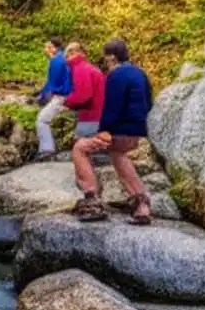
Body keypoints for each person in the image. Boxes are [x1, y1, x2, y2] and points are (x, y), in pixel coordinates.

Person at [71, 39, 155, 225]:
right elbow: (149, 103)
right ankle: (142, 206)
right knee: (118, 155)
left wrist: (103, 130)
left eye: (106, 58)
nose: (106, 62)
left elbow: (111, 108)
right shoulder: (140, 74)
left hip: (119, 130)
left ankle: (92, 200)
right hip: (137, 129)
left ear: (112, 57)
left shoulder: (115, 76)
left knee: (80, 148)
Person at [35, 37, 73, 160]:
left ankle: (47, 149)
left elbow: (52, 83)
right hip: (70, 94)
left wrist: (41, 97)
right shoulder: (65, 58)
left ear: (53, 47)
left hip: (62, 96)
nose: (45, 49)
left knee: (42, 120)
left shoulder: (56, 61)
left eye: (47, 46)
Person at [62, 42, 105, 140]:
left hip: (90, 118)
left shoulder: (80, 68)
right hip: (100, 116)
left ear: (72, 53)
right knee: (98, 152)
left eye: (66, 56)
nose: (66, 60)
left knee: (81, 151)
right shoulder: (90, 67)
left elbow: (83, 95)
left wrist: (66, 101)